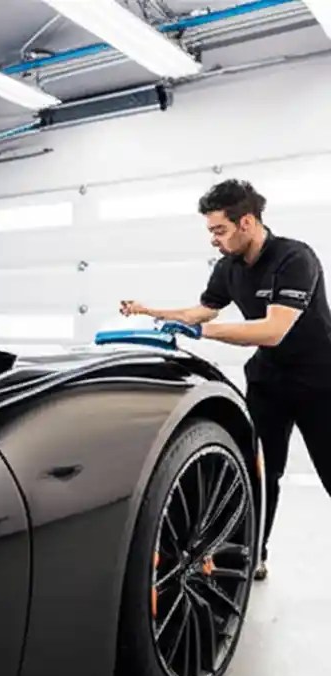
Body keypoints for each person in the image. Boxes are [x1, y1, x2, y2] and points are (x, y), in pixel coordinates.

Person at [120, 179, 331, 581]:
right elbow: (202, 312)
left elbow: (273, 330)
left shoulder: (294, 258)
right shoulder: (228, 267)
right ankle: (251, 557)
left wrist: (202, 333)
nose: (214, 240)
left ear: (246, 222)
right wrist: (152, 312)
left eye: (219, 230)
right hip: (269, 381)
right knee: (260, 473)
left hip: (320, 381)